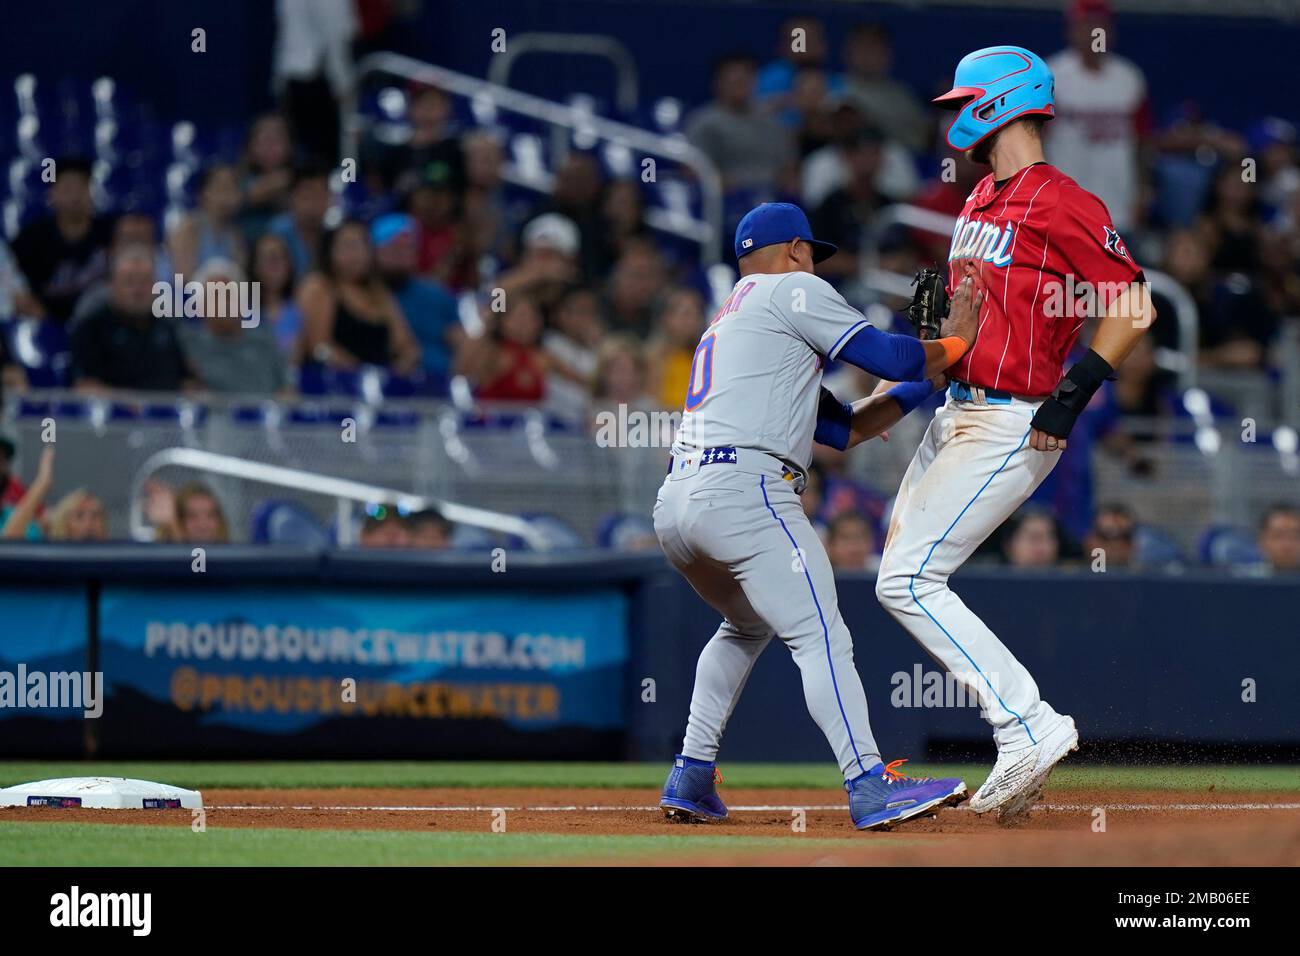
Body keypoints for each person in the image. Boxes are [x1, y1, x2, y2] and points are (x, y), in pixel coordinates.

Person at [875, 46, 1157, 824]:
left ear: (1003, 102)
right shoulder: (976, 202)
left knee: (906, 581)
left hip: (1012, 417)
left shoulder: (1062, 200)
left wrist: (1070, 400)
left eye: (963, 99)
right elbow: (967, 315)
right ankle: (1024, 749)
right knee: (901, 573)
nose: (952, 113)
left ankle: (1026, 725)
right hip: (957, 408)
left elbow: (1135, 307)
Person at [654, 201, 976, 830]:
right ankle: (868, 783)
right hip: (747, 491)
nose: (813, 263)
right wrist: (958, 341)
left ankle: (692, 773)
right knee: (821, 634)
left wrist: (934, 373)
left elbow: (847, 428)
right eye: (811, 252)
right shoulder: (795, 289)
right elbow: (891, 358)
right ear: (796, 250)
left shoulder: (733, 321)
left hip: (680, 504)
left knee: (745, 626)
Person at [1045, 0, 1149, 233]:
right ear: (1071, 30)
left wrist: (1143, 192)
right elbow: (1035, 141)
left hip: (1118, 207)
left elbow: (1142, 141)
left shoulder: (1129, 77)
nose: (1093, 33)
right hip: (1064, 206)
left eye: (1099, 26)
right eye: (1085, 25)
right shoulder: (1051, 75)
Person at [298, 220, 422, 375]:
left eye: (362, 246)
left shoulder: (379, 293)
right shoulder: (320, 286)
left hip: (379, 383)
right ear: (330, 251)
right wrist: (357, 371)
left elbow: (407, 347)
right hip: (333, 382)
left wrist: (403, 365)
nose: (356, 254)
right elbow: (319, 347)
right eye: (348, 246)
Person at [70, 244, 195, 393]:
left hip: (166, 412)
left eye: (144, 282)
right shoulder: (91, 328)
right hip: (116, 413)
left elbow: (186, 381)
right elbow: (85, 387)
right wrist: (131, 407)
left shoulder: (168, 326)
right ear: (113, 286)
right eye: (129, 282)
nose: (138, 290)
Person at [11, 156, 114, 323]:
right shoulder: (31, 239)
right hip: (45, 327)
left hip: (102, 326)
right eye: (67, 189)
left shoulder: (110, 231)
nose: (75, 196)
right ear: (52, 195)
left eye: (82, 187)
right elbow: (13, 286)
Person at [371, 213, 460, 391]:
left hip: (438, 385)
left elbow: (460, 342)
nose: (401, 256)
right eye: (393, 248)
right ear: (373, 251)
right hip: (384, 385)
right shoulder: (363, 294)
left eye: (408, 249)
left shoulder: (436, 294)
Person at [684, 53, 794, 194]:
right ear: (718, 83)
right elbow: (693, 172)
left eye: (744, 80)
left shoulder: (773, 123)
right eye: (734, 81)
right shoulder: (703, 122)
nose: (740, 85)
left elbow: (789, 170)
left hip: (773, 202)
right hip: (725, 203)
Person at [179, 259, 288, 395]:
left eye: (229, 295)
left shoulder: (264, 341)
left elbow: (287, 389)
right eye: (216, 296)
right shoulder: (188, 344)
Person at [167, 163, 248, 279]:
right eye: (222, 188)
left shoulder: (236, 236)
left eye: (232, 188)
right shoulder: (188, 229)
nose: (227, 195)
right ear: (205, 192)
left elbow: (238, 280)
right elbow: (184, 279)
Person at [267, 162, 333, 276]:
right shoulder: (277, 233)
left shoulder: (332, 237)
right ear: (292, 198)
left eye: (319, 196)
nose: (314, 204)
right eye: (307, 196)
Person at [144, 480, 229, 543]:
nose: (203, 525)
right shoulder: (159, 559)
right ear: (179, 520)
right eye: (193, 516)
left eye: (211, 515)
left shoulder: (235, 557)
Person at [1082, 502, 1137, 568]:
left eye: (1115, 519)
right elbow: (1099, 565)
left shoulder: (1133, 540)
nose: (1110, 524)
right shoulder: (1092, 540)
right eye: (1106, 519)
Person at [1258, 504, 1300, 573]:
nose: (1287, 545)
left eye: (1295, 536)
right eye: (1278, 536)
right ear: (1262, 541)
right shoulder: (1245, 580)